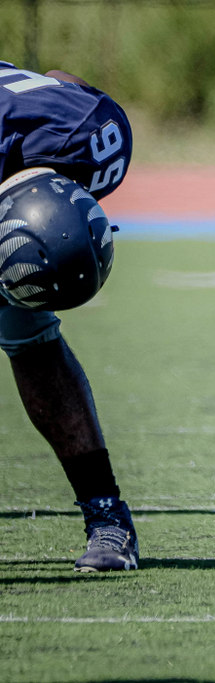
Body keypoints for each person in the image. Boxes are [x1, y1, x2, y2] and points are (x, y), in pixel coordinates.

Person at [0, 61, 137, 572]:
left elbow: (66, 88)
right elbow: (62, 81)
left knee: (25, 324)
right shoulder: (108, 136)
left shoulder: (101, 143)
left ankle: (107, 515)